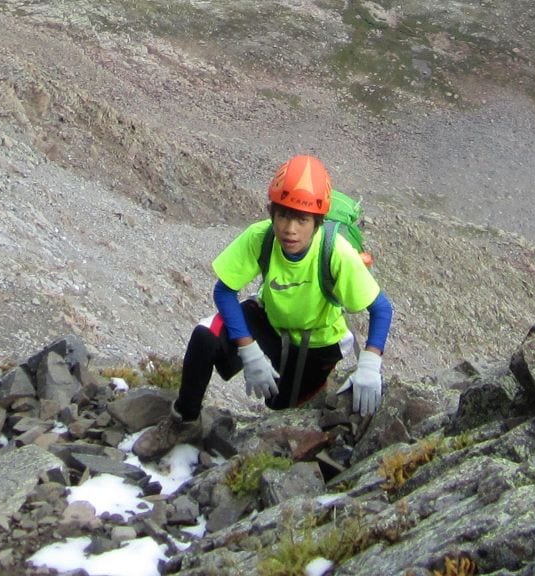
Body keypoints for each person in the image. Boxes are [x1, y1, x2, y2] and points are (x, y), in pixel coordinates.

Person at [133, 154, 394, 461]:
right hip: (270, 326)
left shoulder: (336, 252)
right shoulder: (261, 237)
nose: (290, 229)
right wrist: (248, 349)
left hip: (318, 345)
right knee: (206, 334)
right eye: (283, 215)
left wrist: (370, 363)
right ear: (272, 213)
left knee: (283, 414)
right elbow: (225, 291)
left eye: (302, 220)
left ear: (317, 223)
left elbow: (381, 309)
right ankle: (184, 420)